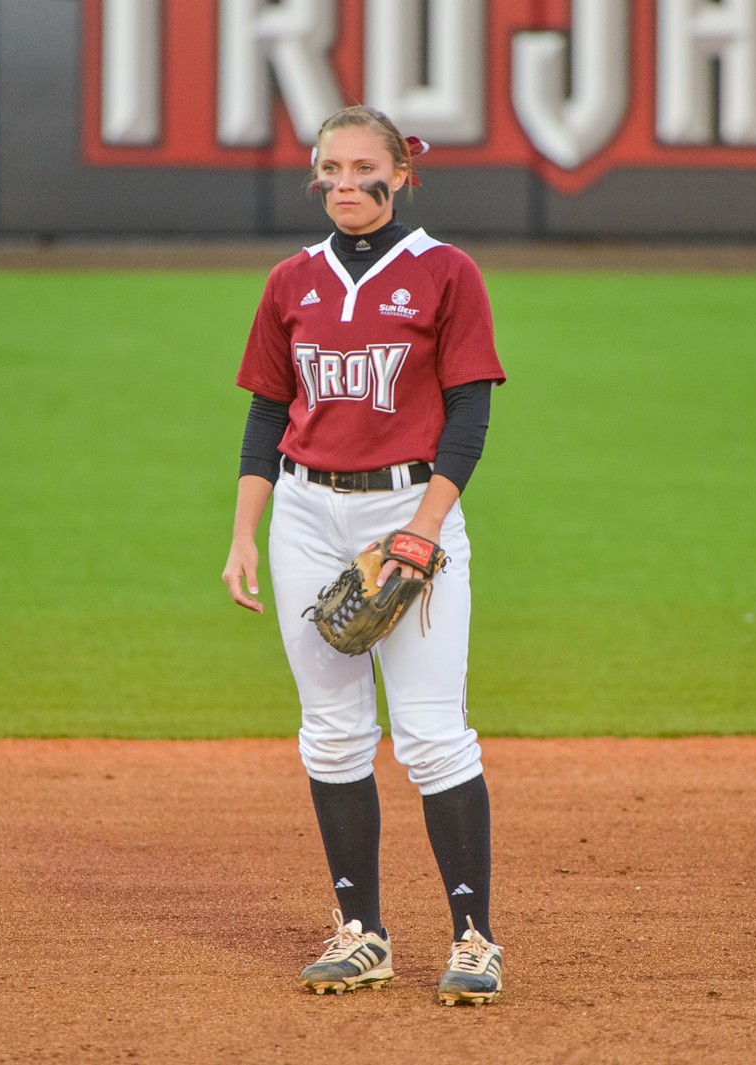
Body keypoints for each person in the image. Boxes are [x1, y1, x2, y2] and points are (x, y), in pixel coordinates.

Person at [222, 105, 508, 1006]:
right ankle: (362, 933)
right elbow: (269, 413)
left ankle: (474, 939)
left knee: (429, 733)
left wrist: (425, 527)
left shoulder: (444, 272)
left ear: (401, 175)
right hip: (306, 514)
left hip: (409, 509)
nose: (346, 183)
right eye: (330, 168)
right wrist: (244, 533)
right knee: (333, 731)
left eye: (362, 167)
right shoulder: (290, 281)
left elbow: (470, 413)